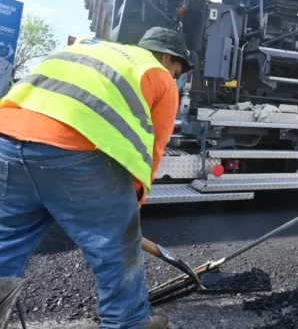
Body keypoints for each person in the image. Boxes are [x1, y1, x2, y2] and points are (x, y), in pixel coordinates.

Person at [0, 27, 191, 329]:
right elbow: (151, 151)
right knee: (116, 250)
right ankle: (128, 323)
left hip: (7, 140)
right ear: (167, 56)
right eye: (178, 70)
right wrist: (132, 206)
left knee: (5, 241)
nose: (176, 77)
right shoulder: (159, 76)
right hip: (74, 148)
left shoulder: (89, 48)